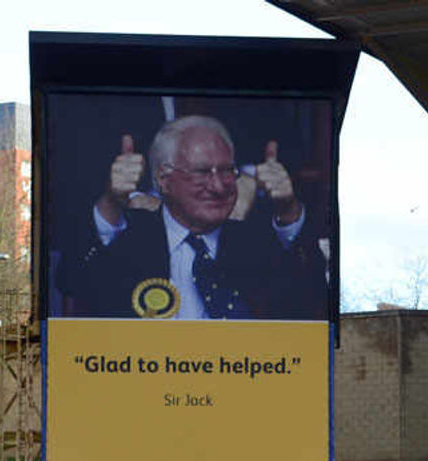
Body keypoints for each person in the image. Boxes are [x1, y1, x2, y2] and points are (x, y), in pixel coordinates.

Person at [65, 115, 326, 320]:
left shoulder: (257, 240)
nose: (219, 186)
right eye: (202, 172)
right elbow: (71, 279)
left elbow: (312, 291)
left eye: (226, 171)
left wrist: (288, 208)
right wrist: (111, 201)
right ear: (163, 180)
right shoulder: (129, 239)